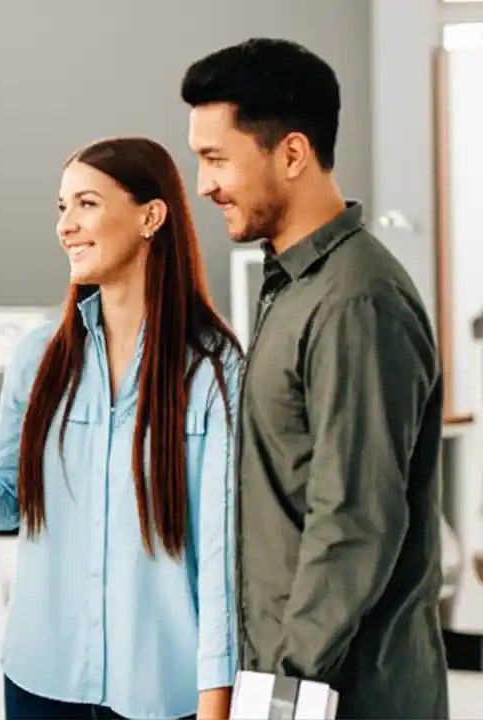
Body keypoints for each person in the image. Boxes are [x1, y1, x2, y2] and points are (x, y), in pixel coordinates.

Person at [0, 137, 241, 720]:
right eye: (61, 207)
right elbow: (7, 498)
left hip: (165, 691)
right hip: (41, 679)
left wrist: (217, 703)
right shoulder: (38, 356)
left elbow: (225, 558)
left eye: (87, 204)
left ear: (151, 216)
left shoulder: (215, 370)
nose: (66, 226)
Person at [181, 38, 448, 718]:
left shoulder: (356, 300)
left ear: (292, 153)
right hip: (295, 686)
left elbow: (353, 521)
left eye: (216, 159)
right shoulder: (297, 288)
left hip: (338, 696)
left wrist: (278, 695)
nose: (204, 184)